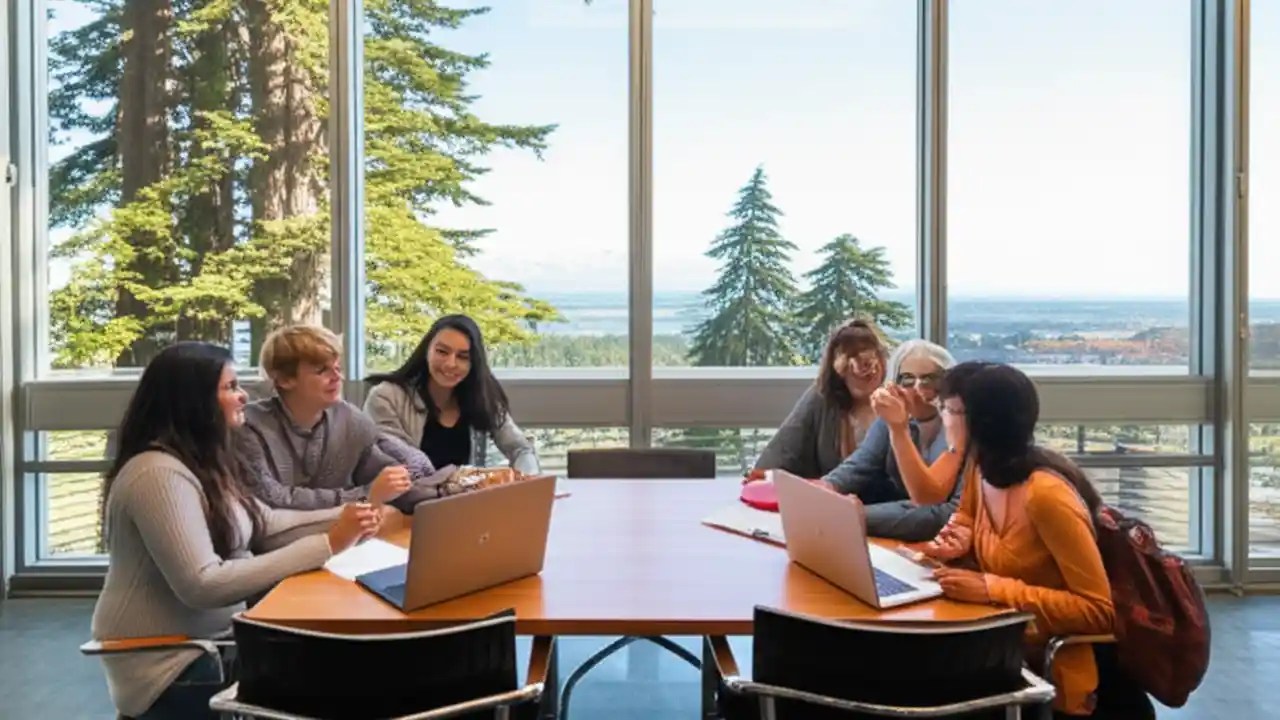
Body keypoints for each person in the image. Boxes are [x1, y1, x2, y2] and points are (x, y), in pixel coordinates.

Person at [91, 342, 380, 719]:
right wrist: (328, 543)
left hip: (215, 643)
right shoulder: (156, 475)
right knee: (338, 682)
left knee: (342, 672)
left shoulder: (201, 463)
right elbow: (203, 584)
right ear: (193, 402)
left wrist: (351, 515)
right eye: (230, 387)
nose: (244, 396)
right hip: (171, 663)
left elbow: (265, 523)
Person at [920, 363, 1146, 718]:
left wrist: (991, 588)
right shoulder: (982, 471)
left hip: (1058, 684)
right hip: (1006, 652)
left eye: (947, 408)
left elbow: (1099, 612)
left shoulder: (1045, 495)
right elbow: (966, 516)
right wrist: (960, 540)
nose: (942, 417)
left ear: (978, 422)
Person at [235, 325, 445, 512]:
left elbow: (385, 478)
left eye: (337, 368)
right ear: (284, 380)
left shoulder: (351, 420)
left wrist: (442, 487)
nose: (337, 377)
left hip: (345, 538)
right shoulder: (249, 426)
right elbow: (271, 498)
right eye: (321, 370)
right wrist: (365, 495)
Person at [814, 340, 963, 541]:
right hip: (903, 534)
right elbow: (861, 465)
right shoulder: (892, 417)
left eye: (930, 379)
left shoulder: (959, 426)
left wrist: (856, 516)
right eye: (908, 380)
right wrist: (824, 489)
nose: (918, 389)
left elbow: (946, 513)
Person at [364, 314, 540, 474]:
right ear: (427, 350)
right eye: (442, 352)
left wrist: (527, 480)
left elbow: (521, 449)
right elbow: (396, 466)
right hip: (408, 505)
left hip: (468, 504)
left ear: (474, 364)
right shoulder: (386, 397)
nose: (450, 364)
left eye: (463, 357)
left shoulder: (482, 396)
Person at [752, 318, 888, 479]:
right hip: (834, 496)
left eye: (869, 363)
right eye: (851, 363)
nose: (863, 373)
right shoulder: (822, 399)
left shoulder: (897, 404)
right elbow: (780, 454)